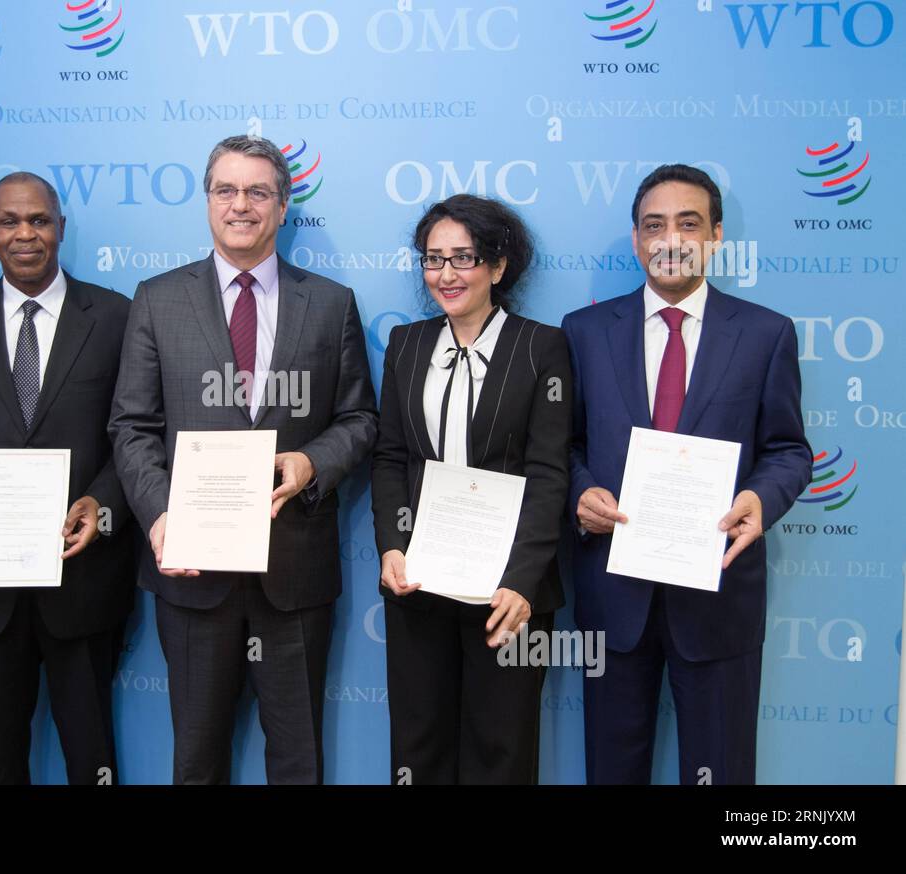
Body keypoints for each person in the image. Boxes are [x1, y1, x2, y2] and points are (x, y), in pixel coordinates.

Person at [109, 134, 378, 784]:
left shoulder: (331, 303)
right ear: (207, 202)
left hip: (295, 572)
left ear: (283, 207)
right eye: (226, 190)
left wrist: (312, 464)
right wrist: (159, 512)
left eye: (258, 191)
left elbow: (360, 419)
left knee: (298, 760)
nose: (241, 205)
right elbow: (132, 425)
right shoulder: (157, 299)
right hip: (194, 573)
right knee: (197, 760)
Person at [562, 164, 811, 784]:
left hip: (718, 595)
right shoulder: (584, 332)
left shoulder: (765, 334)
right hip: (613, 594)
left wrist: (761, 495)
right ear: (637, 239)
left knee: (723, 775)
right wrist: (578, 492)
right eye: (654, 225)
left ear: (717, 236)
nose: (669, 239)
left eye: (688, 223)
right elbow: (560, 447)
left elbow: (789, 449)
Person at [0, 172, 135, 784]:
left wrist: (104, 500)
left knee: (92, 757)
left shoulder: (117, 315)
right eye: (9, 222)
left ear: (61, 228)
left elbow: (136, 432)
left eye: (38, 220)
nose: (25, 234)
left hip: (84, 576)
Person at [371, 194, 571, 784]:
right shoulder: (406, 346)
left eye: (464, 257)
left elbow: (549, 472)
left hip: (506, 594)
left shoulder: (542, 348)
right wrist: (392, 545)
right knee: (418, 746)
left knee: (500, 753)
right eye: (434, 260)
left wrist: (521, 580)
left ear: (499, 266)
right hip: (420, 582)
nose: (447, 274)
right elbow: (389, 457)